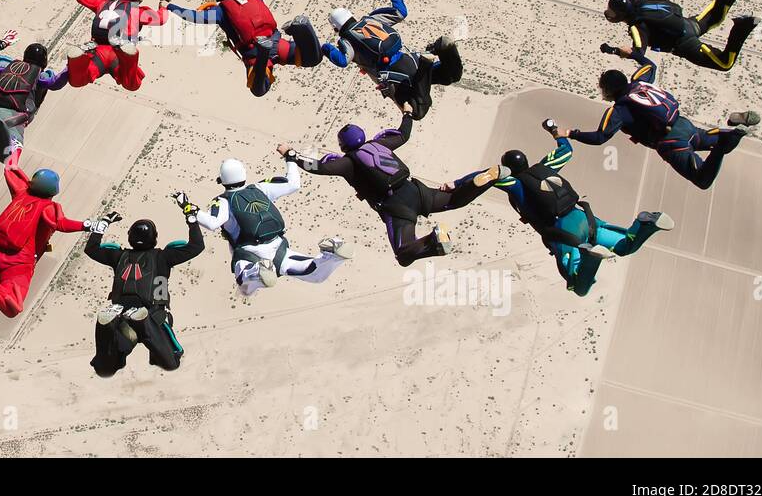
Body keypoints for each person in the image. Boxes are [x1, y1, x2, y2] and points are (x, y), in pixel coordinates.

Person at [279, 113, 501, 267]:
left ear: (342, 145)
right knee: (454, 200)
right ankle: (485, 180)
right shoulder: (380, 145)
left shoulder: (348, 162)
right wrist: (407, 114)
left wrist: (291, 155)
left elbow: (318, 167)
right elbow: (404, 134)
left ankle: (433, 240)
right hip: (415, 189)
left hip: (396, 206)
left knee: (404, 254)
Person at [490, 126, 674, 295]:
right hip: (586, 219)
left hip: (564, 233)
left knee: (578, 286)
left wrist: (473, 181)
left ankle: (591, 259)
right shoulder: (545, 167)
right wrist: (554, 130)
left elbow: (483, 181)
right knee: (625, 246)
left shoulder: (514, 184)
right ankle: (645, 224)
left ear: (508, 169)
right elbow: (566, 150)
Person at [0, 150, 120, 318]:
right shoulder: (48, 207)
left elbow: (10, 169)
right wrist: (91, 225)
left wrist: (15, 147)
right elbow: (61, 224)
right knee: (13, 304)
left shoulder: (22, 193)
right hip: (19, 261)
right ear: (54, 190)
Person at [549, 51, 760, 190]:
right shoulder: (639, 82)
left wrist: (569, 133)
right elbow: (651, 65)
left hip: (671, 143)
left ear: (609, 91)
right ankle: (731, 130)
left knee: (703, 179)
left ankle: (726, 141)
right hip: (684, 126)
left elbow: (599, 137)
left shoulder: (620, 109)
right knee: (705, 139)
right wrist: (630, 53)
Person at [166, 0, 322, 97]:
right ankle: (302, 27)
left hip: (255, 52)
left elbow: (193, 17)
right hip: (278, 42)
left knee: (259, 90)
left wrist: (169, 6)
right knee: (312, 58)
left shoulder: (221, 11)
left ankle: (263, 53)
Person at [194, 154, 350, 296]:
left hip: (249, 252)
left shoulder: (223, 201)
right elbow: (293, 184)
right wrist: (291, 159)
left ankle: (257, 271)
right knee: (314, 274)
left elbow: (212, 223)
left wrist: (191, 210)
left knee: (244, 281)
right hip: (278, 247)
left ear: (222, 179)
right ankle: (330, 254)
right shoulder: (260, 188)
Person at [85, 195, 204, 377]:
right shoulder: (163, 257)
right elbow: (196, 246)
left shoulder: (117, 256)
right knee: (171, 361)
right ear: (154, 238)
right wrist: (191, 216)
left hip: (121, 312)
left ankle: (109, 328)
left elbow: (91, 249)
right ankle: (142, 323)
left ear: (130, 237)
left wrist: (103, 224)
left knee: (106, 367)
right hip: (154, 314)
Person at [324, 0, 461, 120]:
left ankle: (427, 63)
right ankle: (445, 49)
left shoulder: (347, 40)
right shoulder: (371, 19)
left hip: (397, 77)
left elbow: (343, 60)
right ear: (350, 14)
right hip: (411, 59)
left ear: (336, 28)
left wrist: (324, 48)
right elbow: (401, 12)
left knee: (416, 111)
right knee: (450, 75)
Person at [599, 0, 760, 71]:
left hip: (685, 44)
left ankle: (744, 25)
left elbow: (637, 52)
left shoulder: (637, 27)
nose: (608, 14)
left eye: (611, 13)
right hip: (688, 24)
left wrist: (613, 50)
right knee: (716, 13)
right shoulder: (637, 1)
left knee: (725, 63)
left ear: (620, 15)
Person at [68, 0, 168, 91]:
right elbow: (161, 19)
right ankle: (130, 56)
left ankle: (78, 58)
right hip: (117, 53)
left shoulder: (103, 2)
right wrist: (163, 7)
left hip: (98, 50)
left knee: (78, 81)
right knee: (132, 84)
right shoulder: (136, 10)